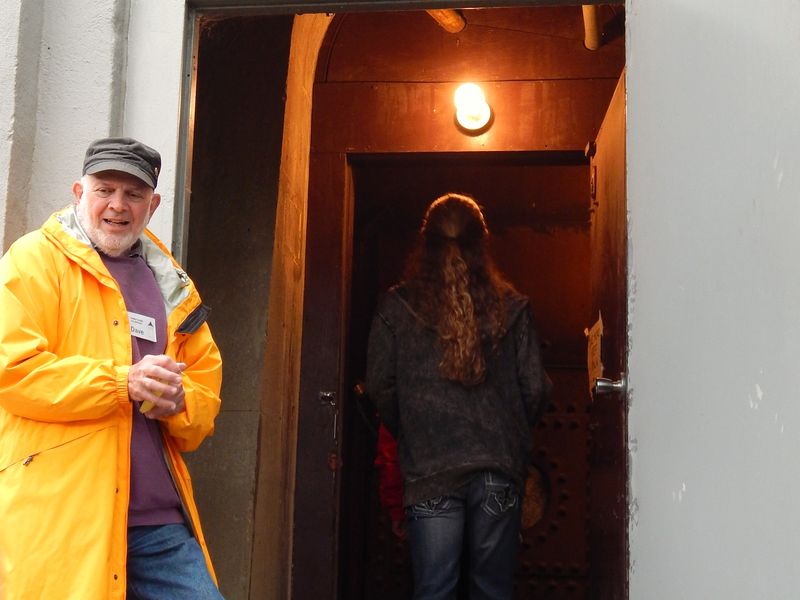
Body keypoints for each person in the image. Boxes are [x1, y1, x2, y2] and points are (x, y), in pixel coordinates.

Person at [0, 137, 224, 599]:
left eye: (134, 194)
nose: (117, 206)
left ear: (153, 204)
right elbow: (12, 371)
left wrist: (180, 402)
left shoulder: (171, 283)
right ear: (79, 192)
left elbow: (204, 399)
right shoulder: (32, 260)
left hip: (158, 527)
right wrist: (121, 382)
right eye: (105, 189)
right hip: (63, 518)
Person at [366, 192, 551, 600]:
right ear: (482, 243)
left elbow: (380, 386)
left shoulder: (395, 309)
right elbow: (534, 389)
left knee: (434, 590)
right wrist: (510, 435)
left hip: (430, 470)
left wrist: (414, 428)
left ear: (424, 244)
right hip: (497, 469)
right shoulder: (513, 309)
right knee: (492, 591)